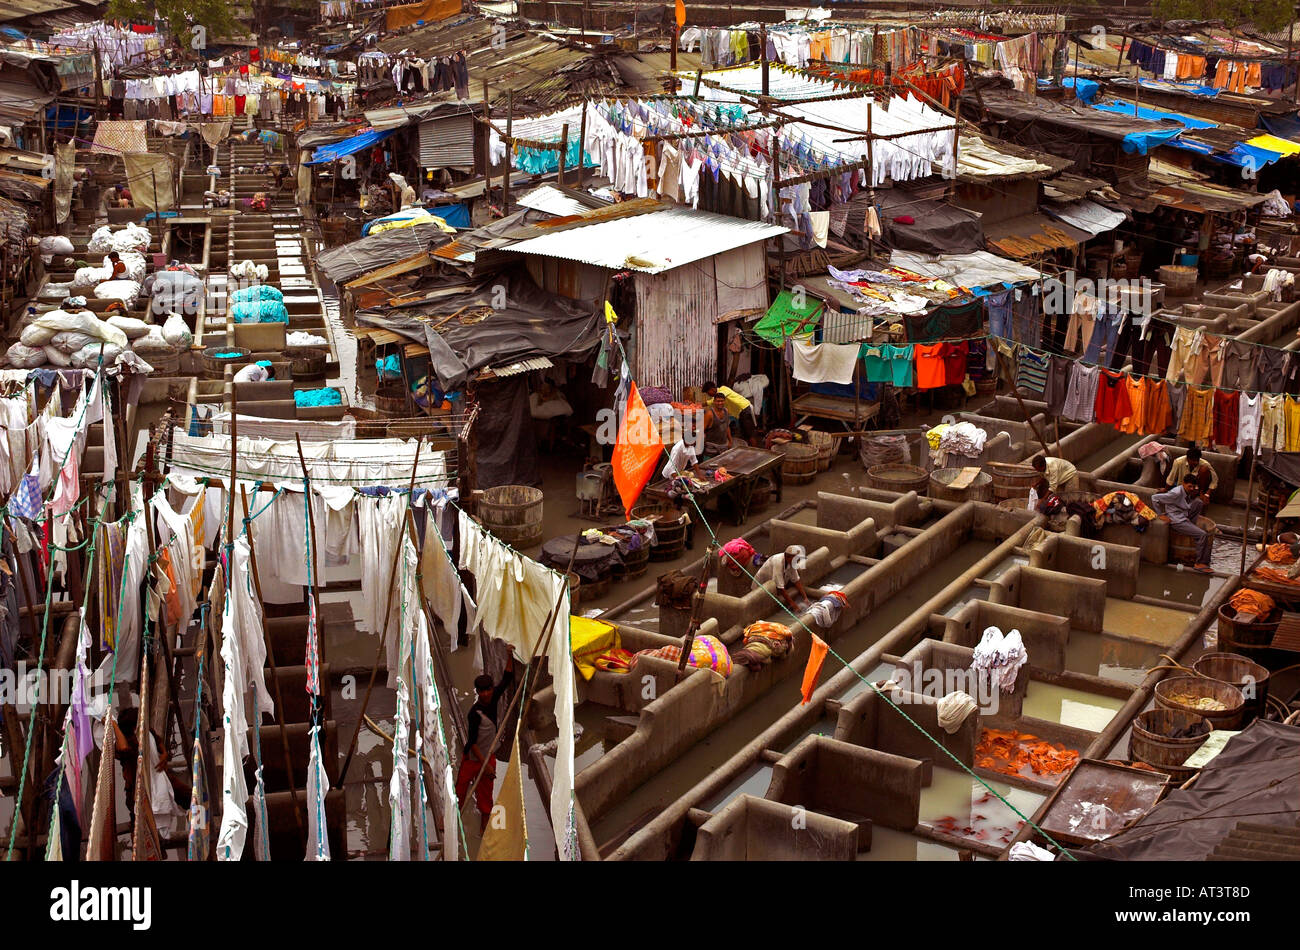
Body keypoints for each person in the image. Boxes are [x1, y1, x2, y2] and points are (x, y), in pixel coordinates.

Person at [456, 659, 516, 833]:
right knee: (460, 788)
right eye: (482, 691)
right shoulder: (474, 714)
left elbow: (507, 678)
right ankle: (451, 818)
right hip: (473, 758)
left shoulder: (494, 696)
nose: (486, 694)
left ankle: (484, 826)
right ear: (478, 692)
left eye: (488, 690)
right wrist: (485, 765)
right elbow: (472, 742)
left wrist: (509, 654)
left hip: (488, 756)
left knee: (486, 792)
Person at [1152, 474, 1214, 573]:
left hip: (1183, 514)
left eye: (1193, 487)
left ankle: (1191, 527)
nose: (1192, 488)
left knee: (1199, 503)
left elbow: (1191, 501)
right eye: (1189, 486)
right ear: (1183, 484)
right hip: (1177, 520)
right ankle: (1200, 563)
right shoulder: (1176, 493)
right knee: (1202, 534)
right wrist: (1160, 515)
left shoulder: (1186, 491)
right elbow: (1154, 498)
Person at [754, 544, 810, 611]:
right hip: (761, 585)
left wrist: (805, 598)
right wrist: (793, 605)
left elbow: (796, 580)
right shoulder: (778, 562)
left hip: (773, 585)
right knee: (760, 606)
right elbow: (780, 588)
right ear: (787, 557)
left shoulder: (792, 562)